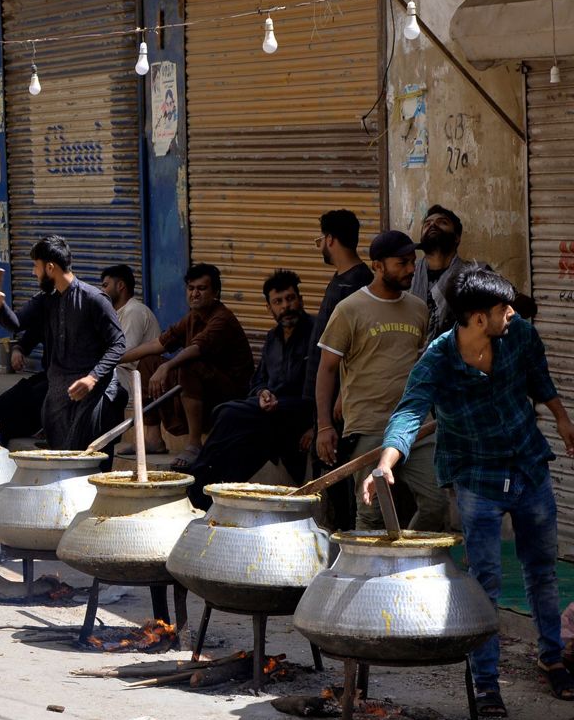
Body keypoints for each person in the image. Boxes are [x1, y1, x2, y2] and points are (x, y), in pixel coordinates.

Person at [361, 265, 574, 714]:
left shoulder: (520, 336)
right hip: (476, 477)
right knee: (486, 583)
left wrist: (560, 417)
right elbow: (410, 412)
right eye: (503, 307)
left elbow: (539, 378)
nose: (513, 312)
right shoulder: (438, 359)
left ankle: (553, 659)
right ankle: (486, 684)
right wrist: (385, 464)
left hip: (529, 466)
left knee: (542, 573)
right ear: (478, 318)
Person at [315, 230, 447, 531]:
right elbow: (326, 370)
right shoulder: (349, 310)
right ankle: (367, 574)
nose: (411, 270)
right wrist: (324, 426)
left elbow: (416, 363)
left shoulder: (418, 308)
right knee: (371, 511)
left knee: (436, 504)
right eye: (401, 263)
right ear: (377, 266)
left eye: (412, 262)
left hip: (417, 425)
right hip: (368, 426)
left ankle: (407, 564)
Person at [186, 270, 315, 508]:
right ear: (269, 308)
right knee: (244, 443)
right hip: (271, 415)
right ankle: (205, 497)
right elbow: (259, 380)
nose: (286, 306)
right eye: (278, 302)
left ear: (300, 300)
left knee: (227, 412)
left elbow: (331, 383)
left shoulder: (316, 333)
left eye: (290, 299)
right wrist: (261, 393)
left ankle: (195, 478)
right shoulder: (272, 338)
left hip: (302, 410)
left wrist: (317, 425)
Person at [0, 235, 126, 454]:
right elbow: (17, 323)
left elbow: (117, 344)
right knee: (62, 461)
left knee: (90, 461)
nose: (34, 272)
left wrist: (93, 377)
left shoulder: (94, 299)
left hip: (94, 394)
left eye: (36, 266)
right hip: (58, 395)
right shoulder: (46, 299)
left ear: (50, 267)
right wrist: (0, 306)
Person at [122, 263, 254, 470]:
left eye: (201, 289)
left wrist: (166, 368)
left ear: (216, 292)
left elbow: (195, 350)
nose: (195, 294)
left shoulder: (222, 318)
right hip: (202, 388)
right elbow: (158, 343)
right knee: (149, 362)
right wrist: (117, 358)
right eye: (191, 288)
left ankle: (194, 444)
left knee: (188, 364)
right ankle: (153, 439)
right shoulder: (192, 317)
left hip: (230, 394)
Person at [304, 209, 371, 528]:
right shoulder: (342, 280)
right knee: (331, 473)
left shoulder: (358, 284)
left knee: (342, 475)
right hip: (326, 400)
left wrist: (340, 398)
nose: (320, 246)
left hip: (341, 405)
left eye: (320, 239)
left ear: (330, 239)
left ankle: (347, 541)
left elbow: (359, 349)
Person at [100, 264, 163, 454]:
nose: (102, 291)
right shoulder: (117, 313)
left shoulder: (134, 311)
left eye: (105, 285)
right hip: (125, 372)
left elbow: (122, 354)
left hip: (134, 375)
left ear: (120, 286)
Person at [410, 204, 466, 340]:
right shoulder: (406, 274)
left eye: (442, 222)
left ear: (457, 237)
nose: (433, 225)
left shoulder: (475, 274)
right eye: (427, 224)